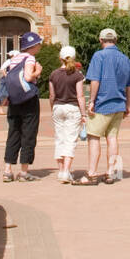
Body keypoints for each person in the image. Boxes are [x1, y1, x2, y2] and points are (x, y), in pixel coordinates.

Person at [80, 27, 130, 185]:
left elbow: (95, 80)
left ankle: (92, 173)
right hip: (119, 104)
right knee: (112, 138)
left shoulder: (99, 56)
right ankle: (111, 172)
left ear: (100, 40)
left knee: (94, 137)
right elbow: (129, 86)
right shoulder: (125, 59)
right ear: (115, 40)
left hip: (103, 103)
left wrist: (91, 101)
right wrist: (127, 105)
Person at [2, 32, 43, 183]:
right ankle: (24, 171)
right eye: (38, 44)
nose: (40, 46)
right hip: (28, 100)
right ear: (33, 46)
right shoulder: (30, 58)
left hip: (14, 100)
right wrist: (38, 72)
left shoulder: (15, 58)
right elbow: (27, 77)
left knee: (13, 132)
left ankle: (7, 170)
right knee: (28, 133)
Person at [48, 46, 86, 183]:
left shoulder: (53, 74)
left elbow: (52, 95)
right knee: (70, 140)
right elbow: (80, 96)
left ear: (60, 58)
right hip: (73, 108)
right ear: (74, 58)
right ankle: (66, 171)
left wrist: (53, 107)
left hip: (58, 107)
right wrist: (84, 114)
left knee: (60, 139)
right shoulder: (77, 75)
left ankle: (60, 170)